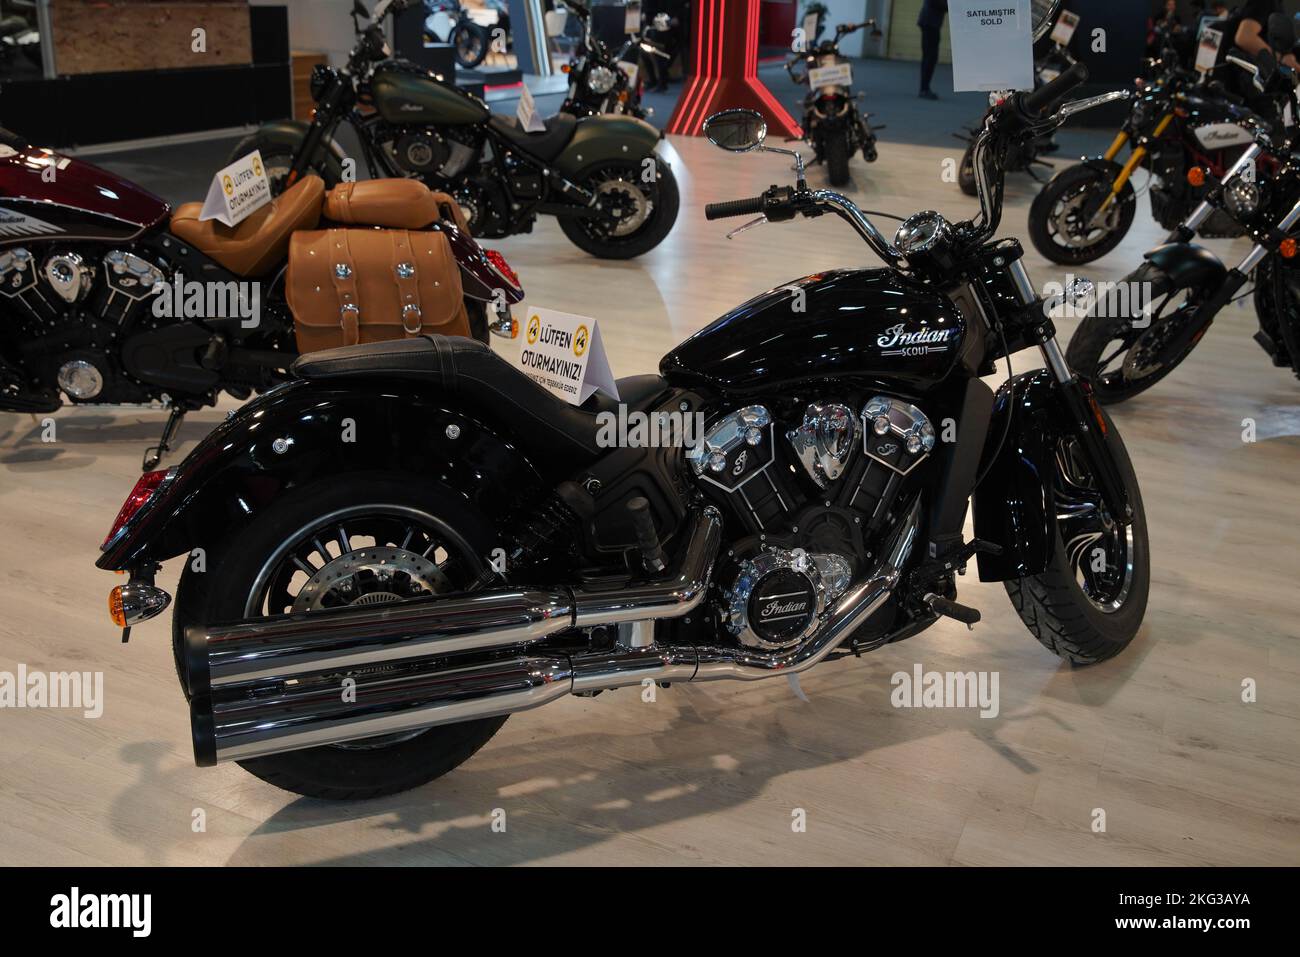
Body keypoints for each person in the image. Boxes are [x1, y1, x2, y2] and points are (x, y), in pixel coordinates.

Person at [917, 0, 947, 100]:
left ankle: (924, 88)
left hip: (930, 23)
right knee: (930, 57)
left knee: (929, 57)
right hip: (930, 23)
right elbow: (937, 3)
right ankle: (924, 90)